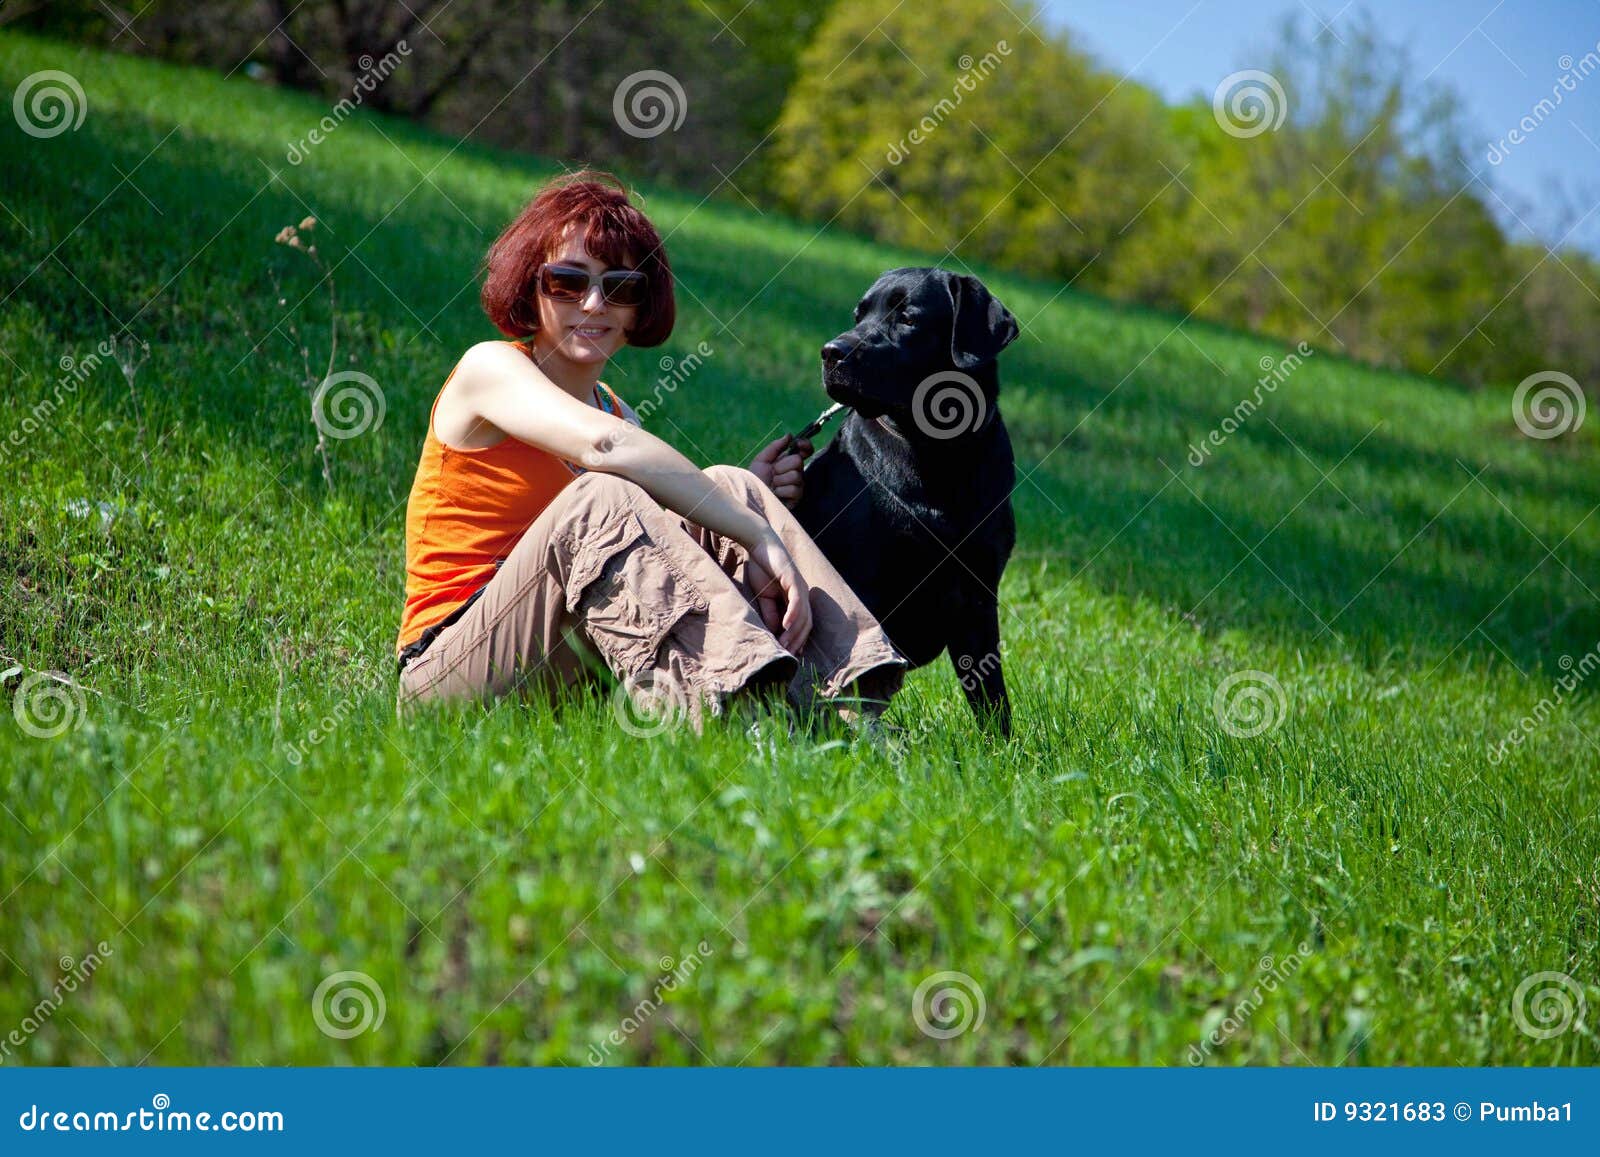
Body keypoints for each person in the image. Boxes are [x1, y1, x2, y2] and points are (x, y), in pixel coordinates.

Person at [394, 169, 906, 732]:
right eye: (567, 281)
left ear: (640, 306)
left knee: (734, 485)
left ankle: (847, 708)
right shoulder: (489, 369)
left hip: (567, 671)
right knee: (605, 494)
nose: (594, 304)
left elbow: (653, 550)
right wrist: (753, 533)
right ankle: (738, 710)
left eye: (620, 288)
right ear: (529, 286)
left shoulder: (614, 408)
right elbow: (605, 448)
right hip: (449, 673)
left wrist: (740, 503)